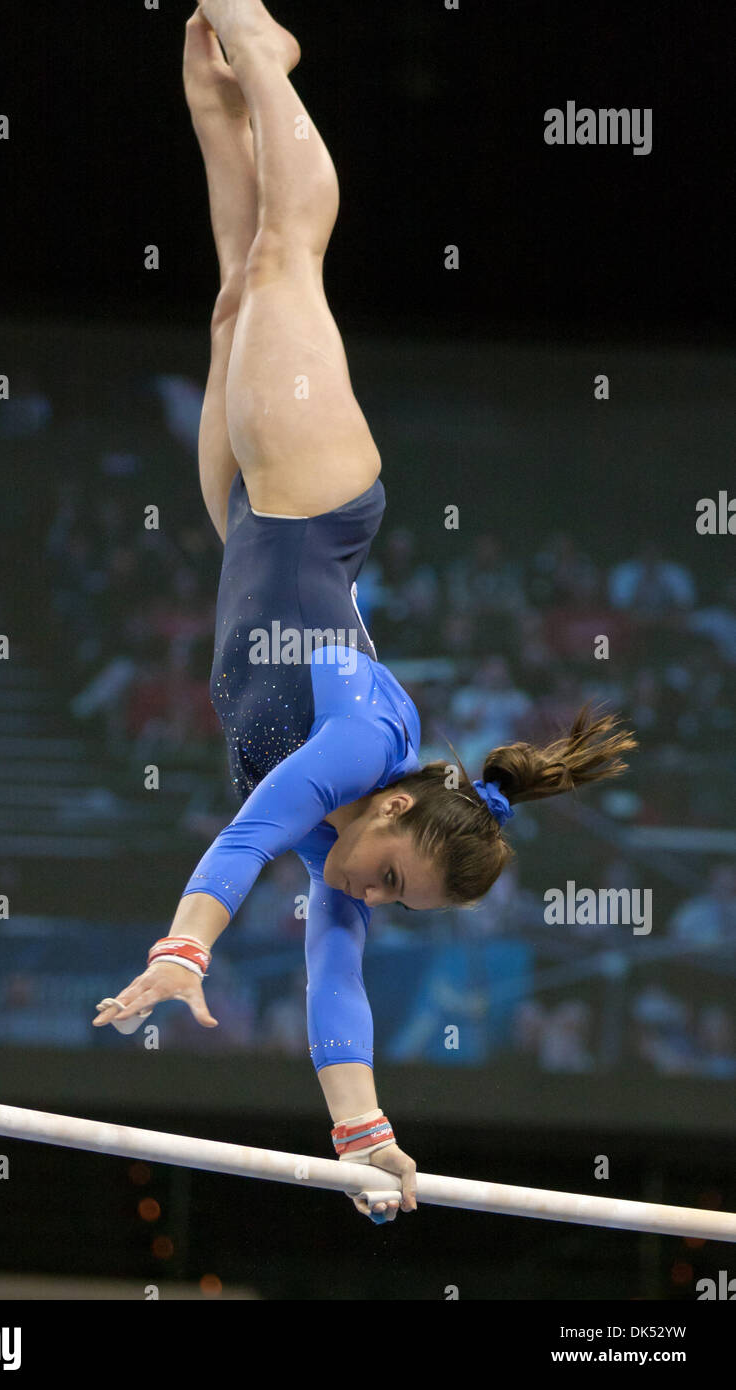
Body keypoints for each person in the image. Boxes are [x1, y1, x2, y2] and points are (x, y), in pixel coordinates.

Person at [93, 2, 637, 1224]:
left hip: (246, 520)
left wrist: (364, 1137)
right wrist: (182, 950)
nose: (371, 898)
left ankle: (214, 96)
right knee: (292, 247)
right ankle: (259, 41)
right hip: (314, 494)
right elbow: (245, 837)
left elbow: (332, 975)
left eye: (392, 901)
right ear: (397, 808)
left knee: (238, 299)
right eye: (393, 879)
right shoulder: (362, 750)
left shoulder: (355, 838)